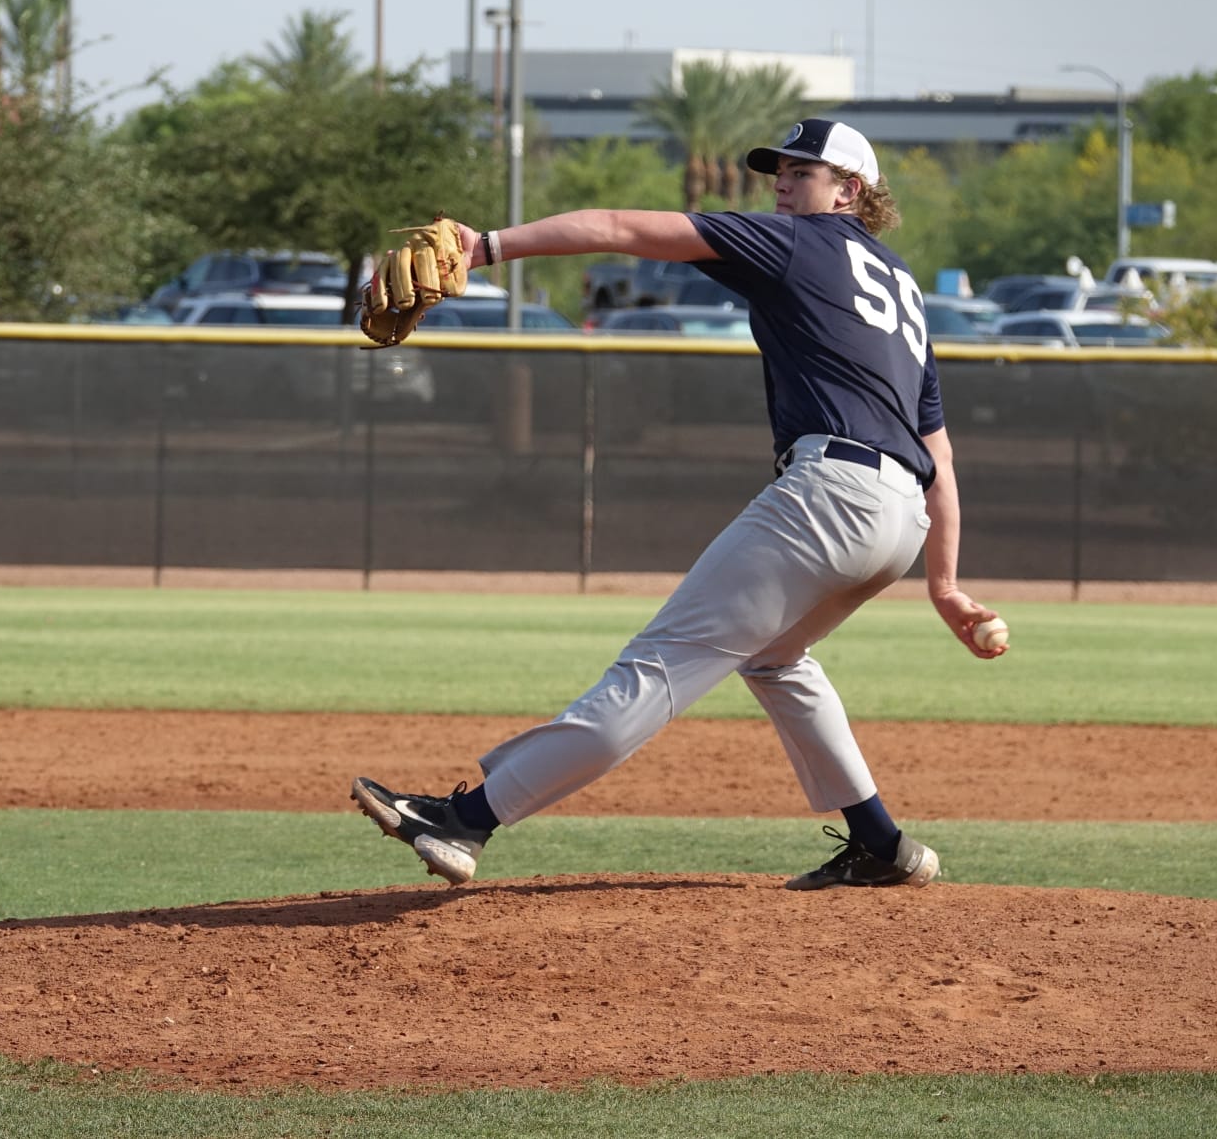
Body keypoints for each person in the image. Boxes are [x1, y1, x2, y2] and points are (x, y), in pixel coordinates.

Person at [351, 118, 1004, 890]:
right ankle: (880, 842)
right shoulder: (904, 289)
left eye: (802, 172)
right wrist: (943, 583)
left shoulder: (798, 242)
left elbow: (620, 228)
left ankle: (466, 820)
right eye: (779, 171)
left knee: (661, 666)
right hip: (899, 519)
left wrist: (486, 246)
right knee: (774, 658)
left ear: (849, 191)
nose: (782, 184)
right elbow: (939, 455)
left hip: (832, 495)